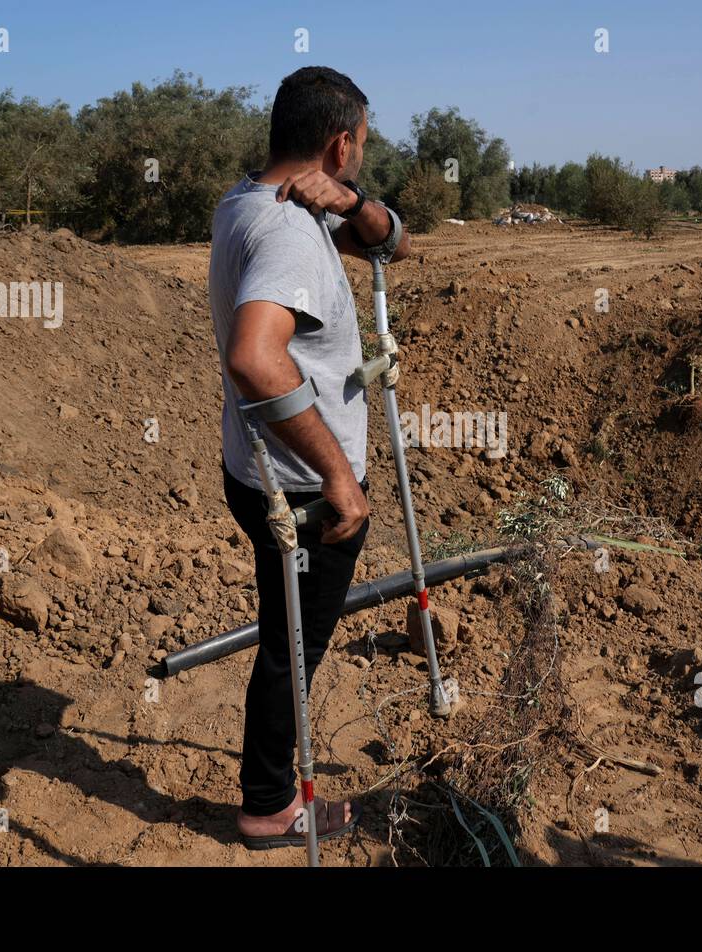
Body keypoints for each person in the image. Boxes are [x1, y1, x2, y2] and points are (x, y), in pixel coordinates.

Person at [208, 66, 410, 849]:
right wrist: (337, 477)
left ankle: (268, 791)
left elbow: (395, 241)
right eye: (360, 148)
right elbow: (255, 359)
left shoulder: (252, 199)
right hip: (302, 493)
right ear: (340, 143)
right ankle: (268, 808)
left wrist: (354, 204)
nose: (362, 157)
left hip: (255, 467)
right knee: (293, 649)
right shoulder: (292, 233)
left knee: (285, 635)